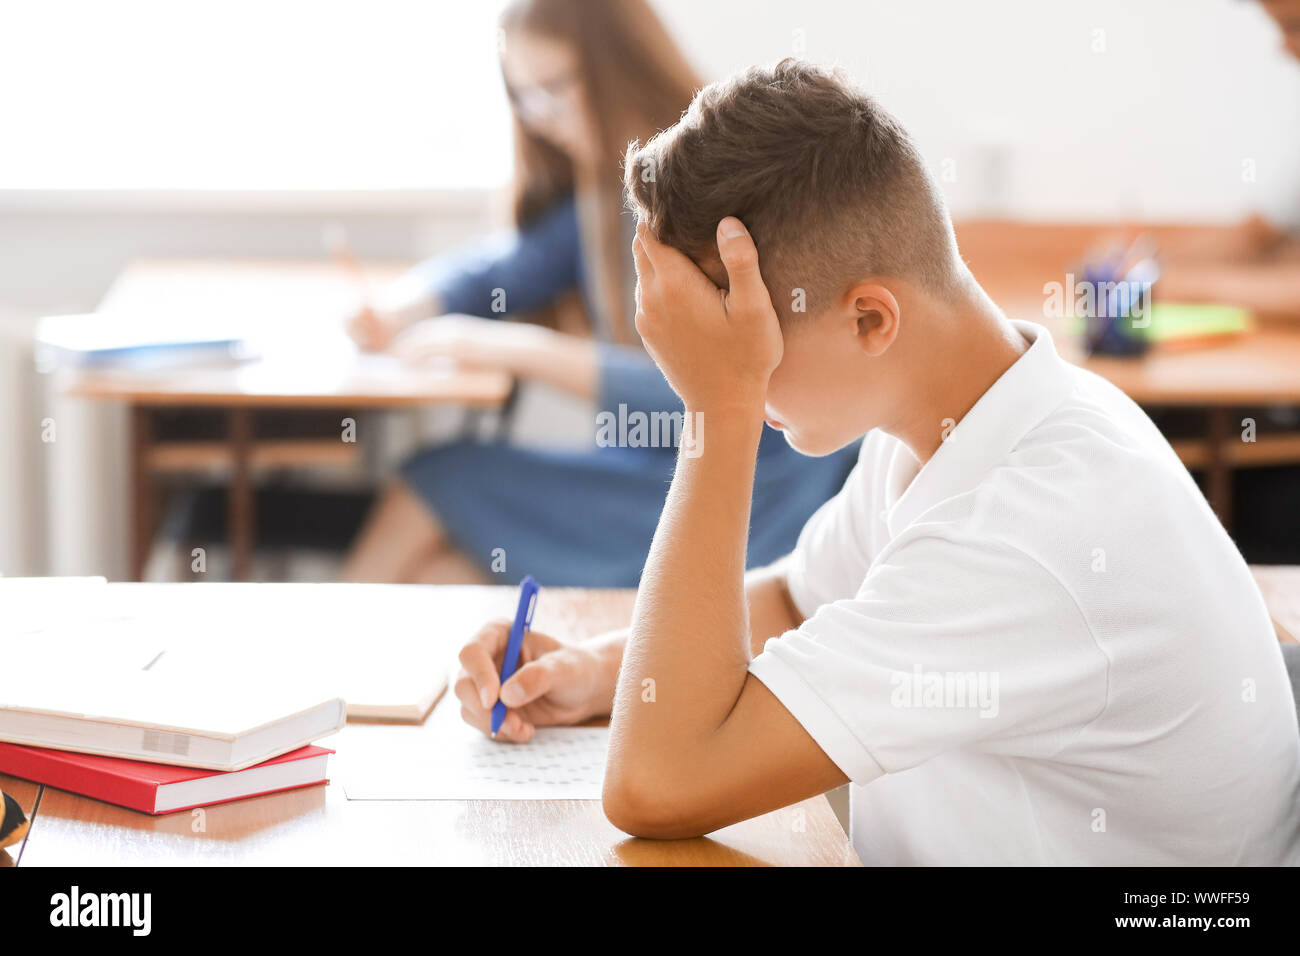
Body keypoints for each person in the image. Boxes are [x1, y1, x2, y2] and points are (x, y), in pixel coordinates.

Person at [450, 60, 1300, 865]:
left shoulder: (1030, 526)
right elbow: (797, 596)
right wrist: (602, 670)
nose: (721, 365)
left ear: (869, 320)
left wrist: (721, 408)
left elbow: (658, 784)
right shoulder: (958, 421)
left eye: (744, 342)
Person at [341, 0, 857, 586]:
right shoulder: (604, 188)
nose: (539, 117)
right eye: (523, 97)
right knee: (443, 575)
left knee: (435, 480)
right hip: (660, 460)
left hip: (751, 486)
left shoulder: (705, 192)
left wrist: (511, 349)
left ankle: (327, 667)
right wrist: (401, 309)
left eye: (553, 89)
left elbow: (708, 387)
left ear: (617, 65)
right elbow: (498, 274)